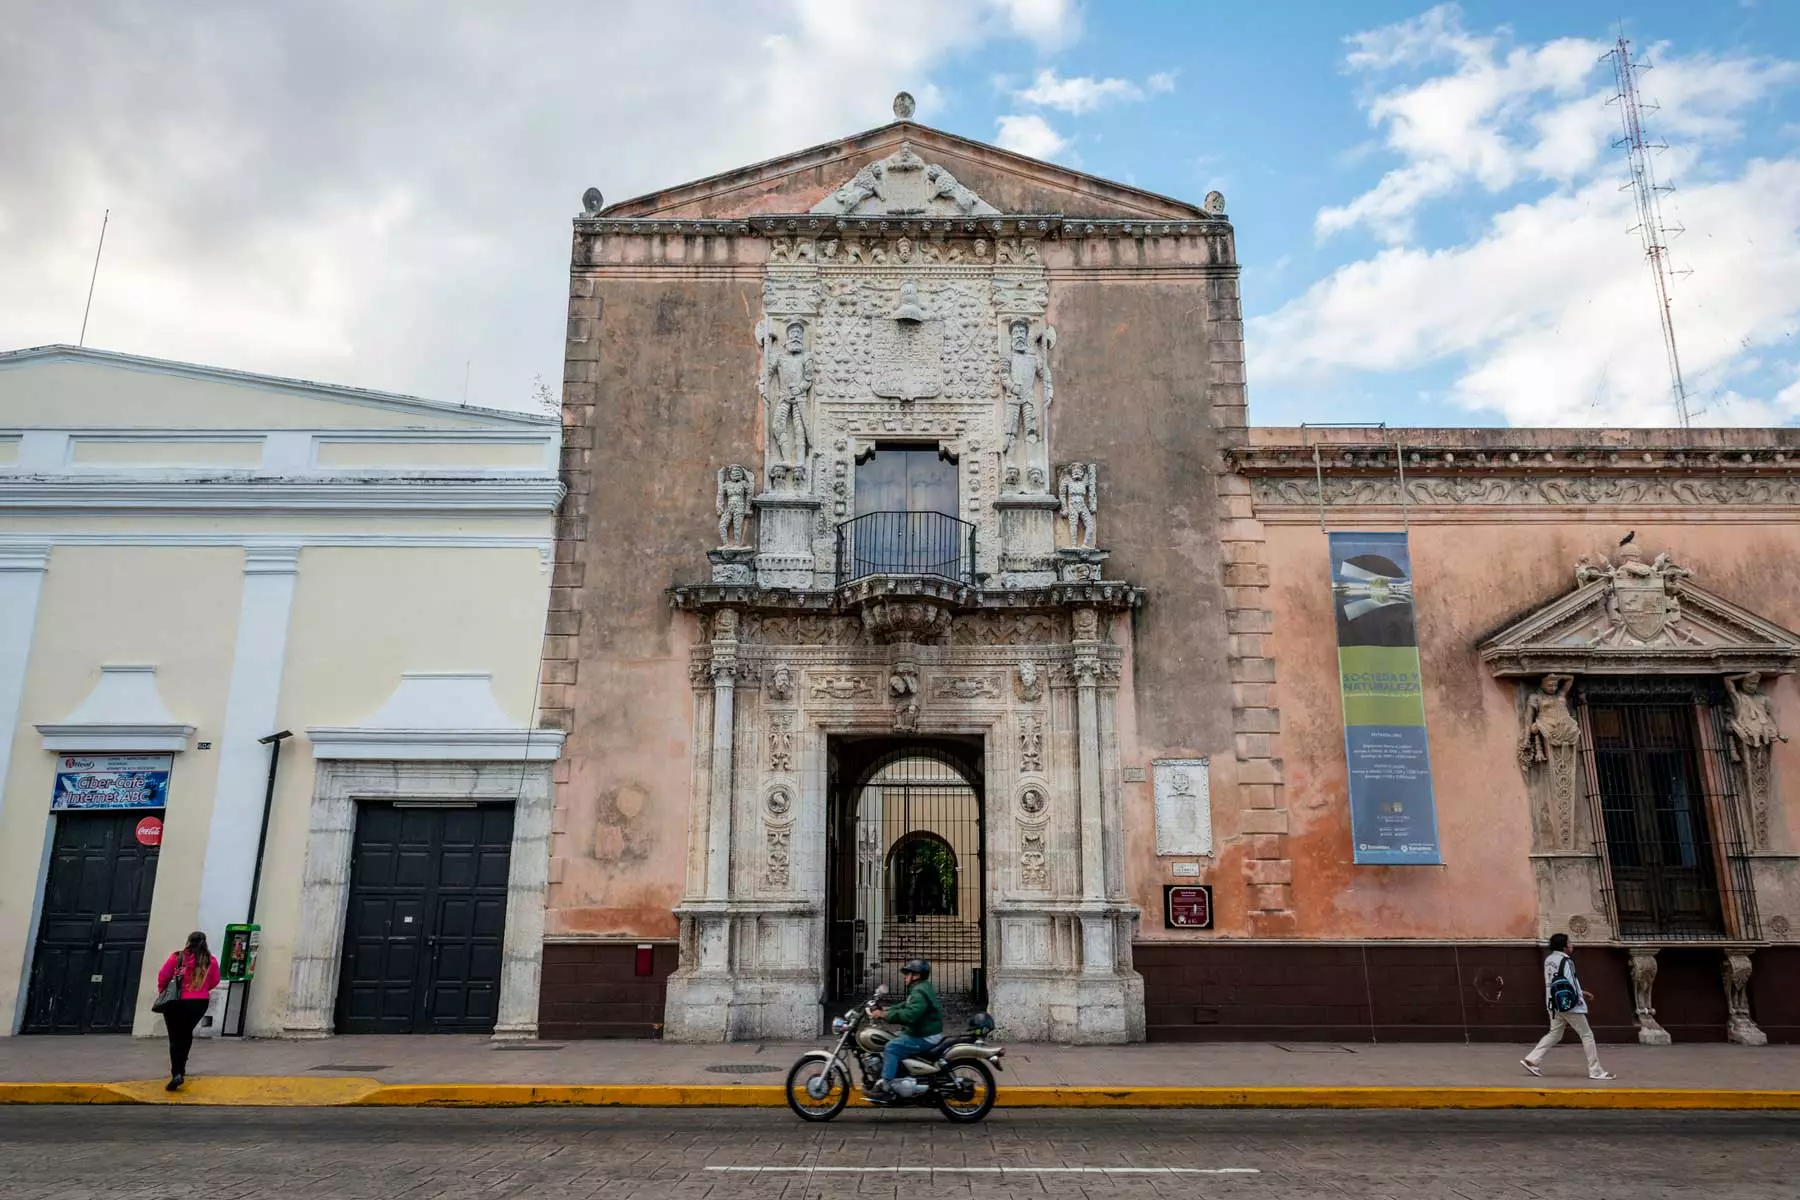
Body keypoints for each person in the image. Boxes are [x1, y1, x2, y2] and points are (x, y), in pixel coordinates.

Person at [1521, 932, 1615, 1080]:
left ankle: (1532, 1059)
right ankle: (1595, 1070)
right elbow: (1570, 981)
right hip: (1569, 1003)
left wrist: (1581, 992)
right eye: (1569, 943)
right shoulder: (1567, 961)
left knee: (1555, 1033)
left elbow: (1555, 981)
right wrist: (1579, 997)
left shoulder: (1549, 960)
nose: (1572, 945)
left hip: (1553, 1002)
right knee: (1587, 1035)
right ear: (1564, 947)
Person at [868, 958, 943, 1097]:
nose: (905, 977)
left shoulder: (919, 992)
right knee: (893, 1037)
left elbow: (909, 1015)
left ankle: (885, 1084)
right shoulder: (920, 988)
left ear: (917, 975)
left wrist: (885, 1015)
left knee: (891, 1047)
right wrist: (887, 1009)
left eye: (908, 974)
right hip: (921, 1032)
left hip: (925, 1036)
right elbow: (905, 1006)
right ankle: (900, 1073)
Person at [156, 931, 220, 1091]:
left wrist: (163, 992)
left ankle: (177, 1072)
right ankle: (182, 1068)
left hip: (176, 1001)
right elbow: (215, 981)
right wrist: (201, 990)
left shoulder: (176, 958)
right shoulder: (210, 961)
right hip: (199, 1002)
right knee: (186, 1034)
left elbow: (163, 977)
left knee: (175, 1038)